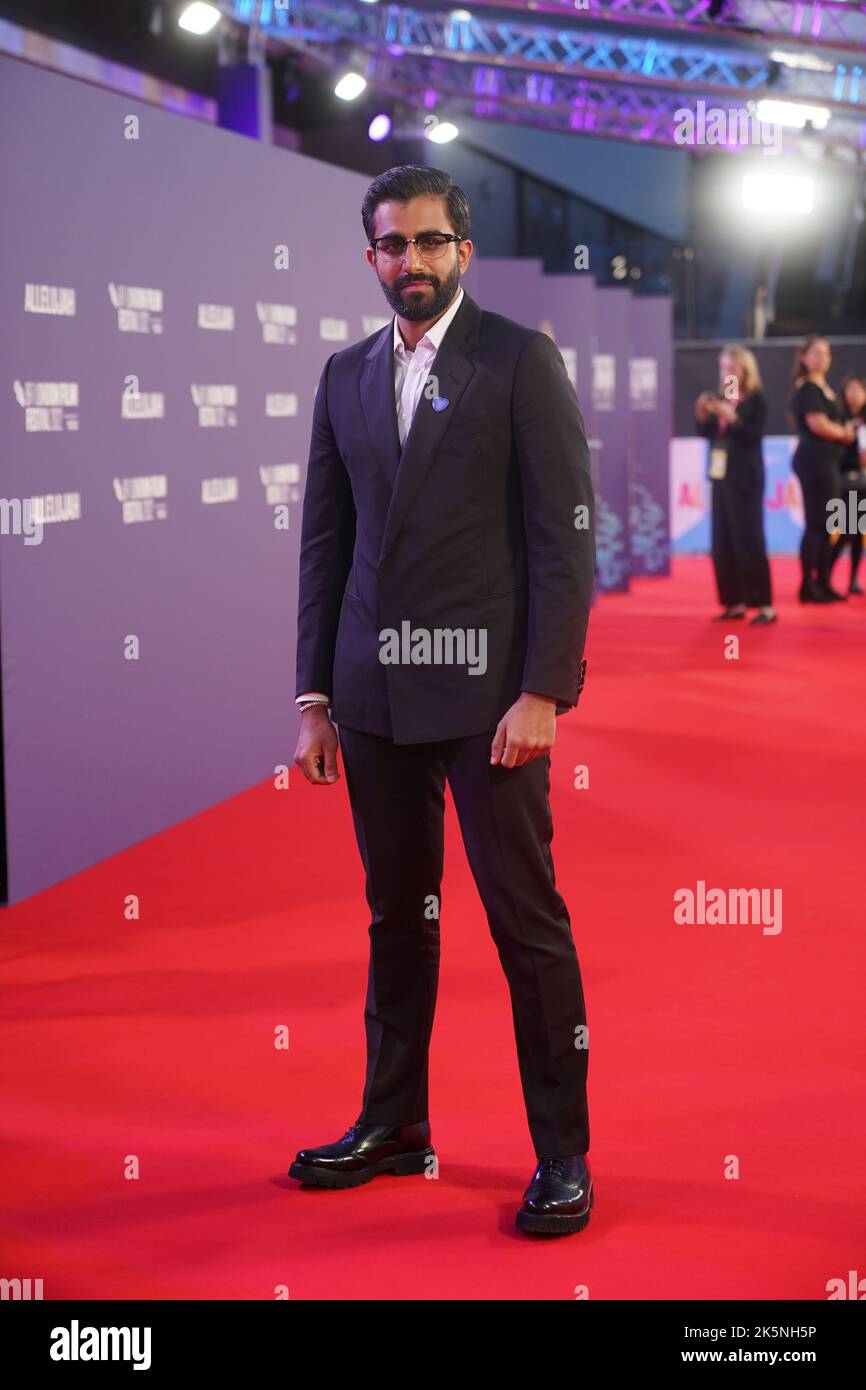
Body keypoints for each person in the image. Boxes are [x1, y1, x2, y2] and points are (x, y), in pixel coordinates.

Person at [288, 165, 597, 1236]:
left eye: (427, 242)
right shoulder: (340, 376)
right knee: (395, 918)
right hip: (372, 700)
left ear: (461, 249)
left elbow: (564, 535)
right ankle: (394, 1124)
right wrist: (315, 695)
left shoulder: (517, 359)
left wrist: (546, 689)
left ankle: (562, 1150)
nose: (408, 262)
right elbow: (325, 543)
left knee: (526, 922)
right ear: (369, 255)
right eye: (389, 244)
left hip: (487, 703)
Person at [695, 344, 776, 625]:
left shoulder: (755, 401)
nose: (726, 372)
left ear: (744, 370)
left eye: (731, 367)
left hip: (746, 477)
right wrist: (704, 416)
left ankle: (764, 603)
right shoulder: (721, 397)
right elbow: (709, 434)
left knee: (749, 538)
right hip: (721, 476)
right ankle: (734, 601)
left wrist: (732, 416)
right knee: (722, 539)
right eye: (723, 367)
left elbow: (751, 435)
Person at [789, 336, 856, 603]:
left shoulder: (825, 388)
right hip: (814, 461)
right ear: (804, 357)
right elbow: (817, 424)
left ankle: (824, 581)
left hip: (829, 462)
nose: (822, 358)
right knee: (817, 524)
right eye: (816, 353)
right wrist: (843, 433)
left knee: (830, 525)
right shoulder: (807, 388)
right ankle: (808, 585)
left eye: (826, 354)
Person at [828, 373, 866, 595]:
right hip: (842, 480)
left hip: (862, 482)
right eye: (849, 389)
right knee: (844, 532)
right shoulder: (838, 417)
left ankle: (852, 579)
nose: (853, 395)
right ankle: (825, 575)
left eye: (858, 390)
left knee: (858, 531)